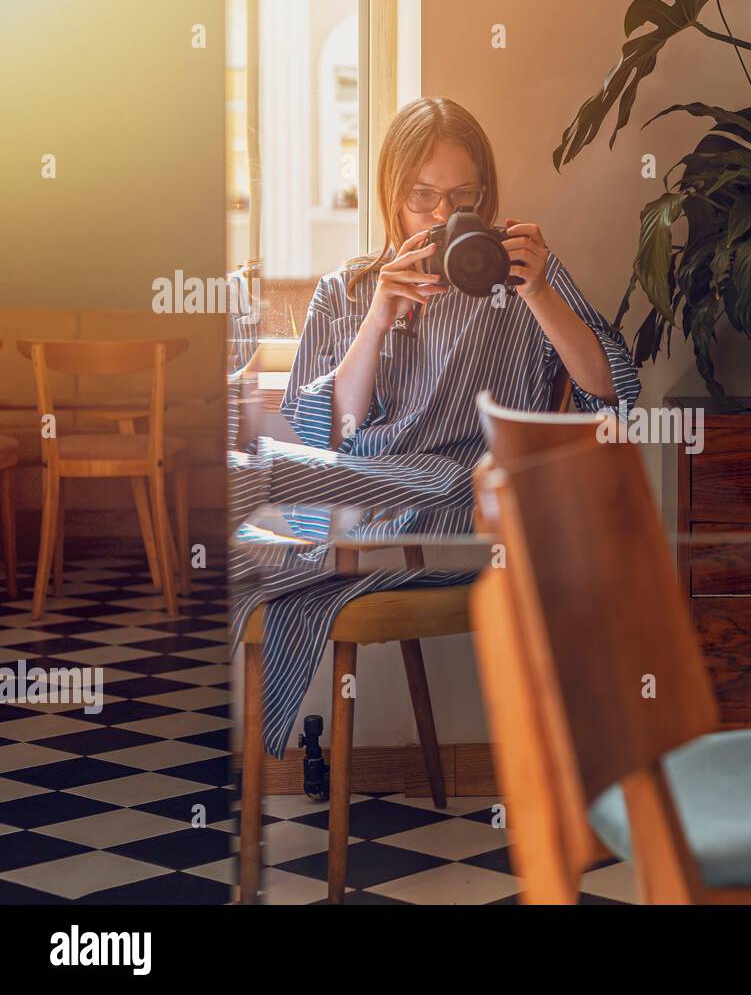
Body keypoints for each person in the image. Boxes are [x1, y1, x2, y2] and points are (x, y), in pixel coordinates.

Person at [229, 97, 640, 757]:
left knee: (268, 493)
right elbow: (324, 433)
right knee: (241, 473)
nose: (442, 217)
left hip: (457, 494)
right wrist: (379, 316)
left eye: (461, 197)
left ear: (487, 197)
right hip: (357, 489)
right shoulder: (347, 288)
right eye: (422, 197)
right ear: (393, 194)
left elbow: (612, 394)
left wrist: (539, 291)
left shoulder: (519, 276)